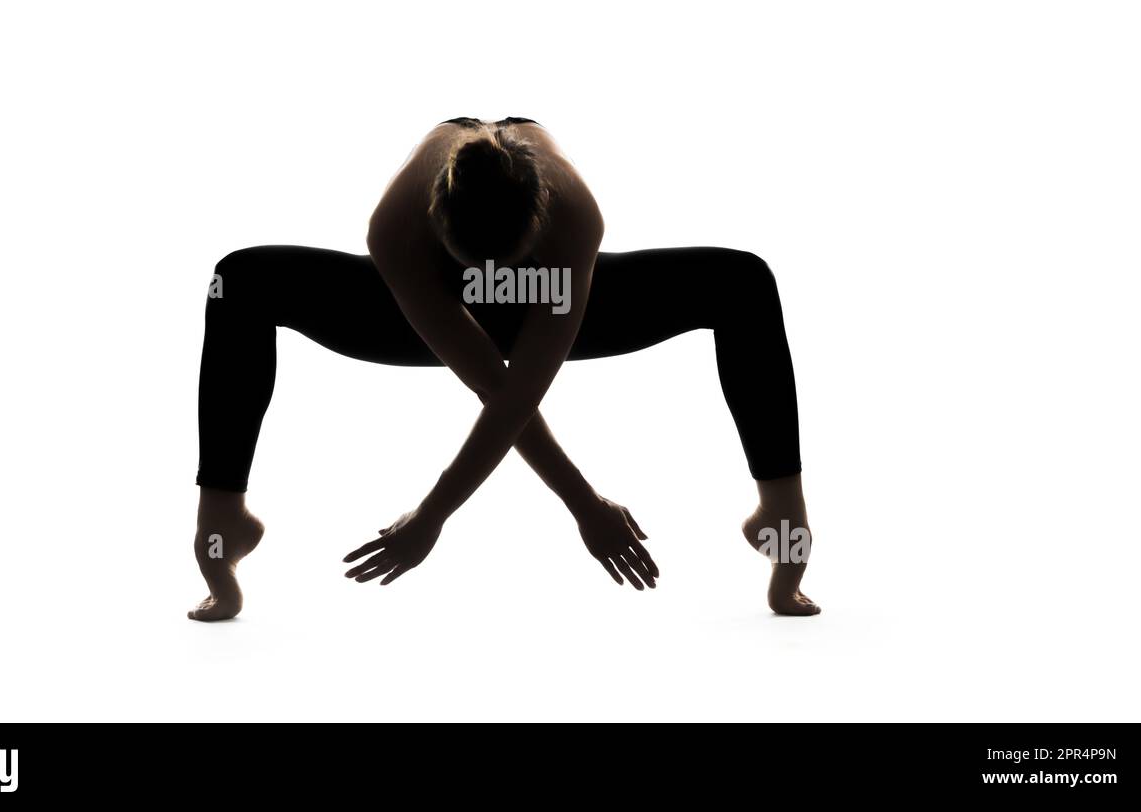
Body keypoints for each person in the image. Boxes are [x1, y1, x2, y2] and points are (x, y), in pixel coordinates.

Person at [189, 116, 819, 620]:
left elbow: (521, 388)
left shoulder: (574, 217)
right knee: (239, 280)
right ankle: (221, 526)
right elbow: (491, 379)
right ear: (439, 223)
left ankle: (782, 520)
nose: (491, 283)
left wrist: (445, 510)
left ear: (538, 224)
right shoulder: (395, 226)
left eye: (505, 269)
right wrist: (574, 502)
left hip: (549, 298)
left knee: (743, 281)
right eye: (477, 269)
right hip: (414, 311)